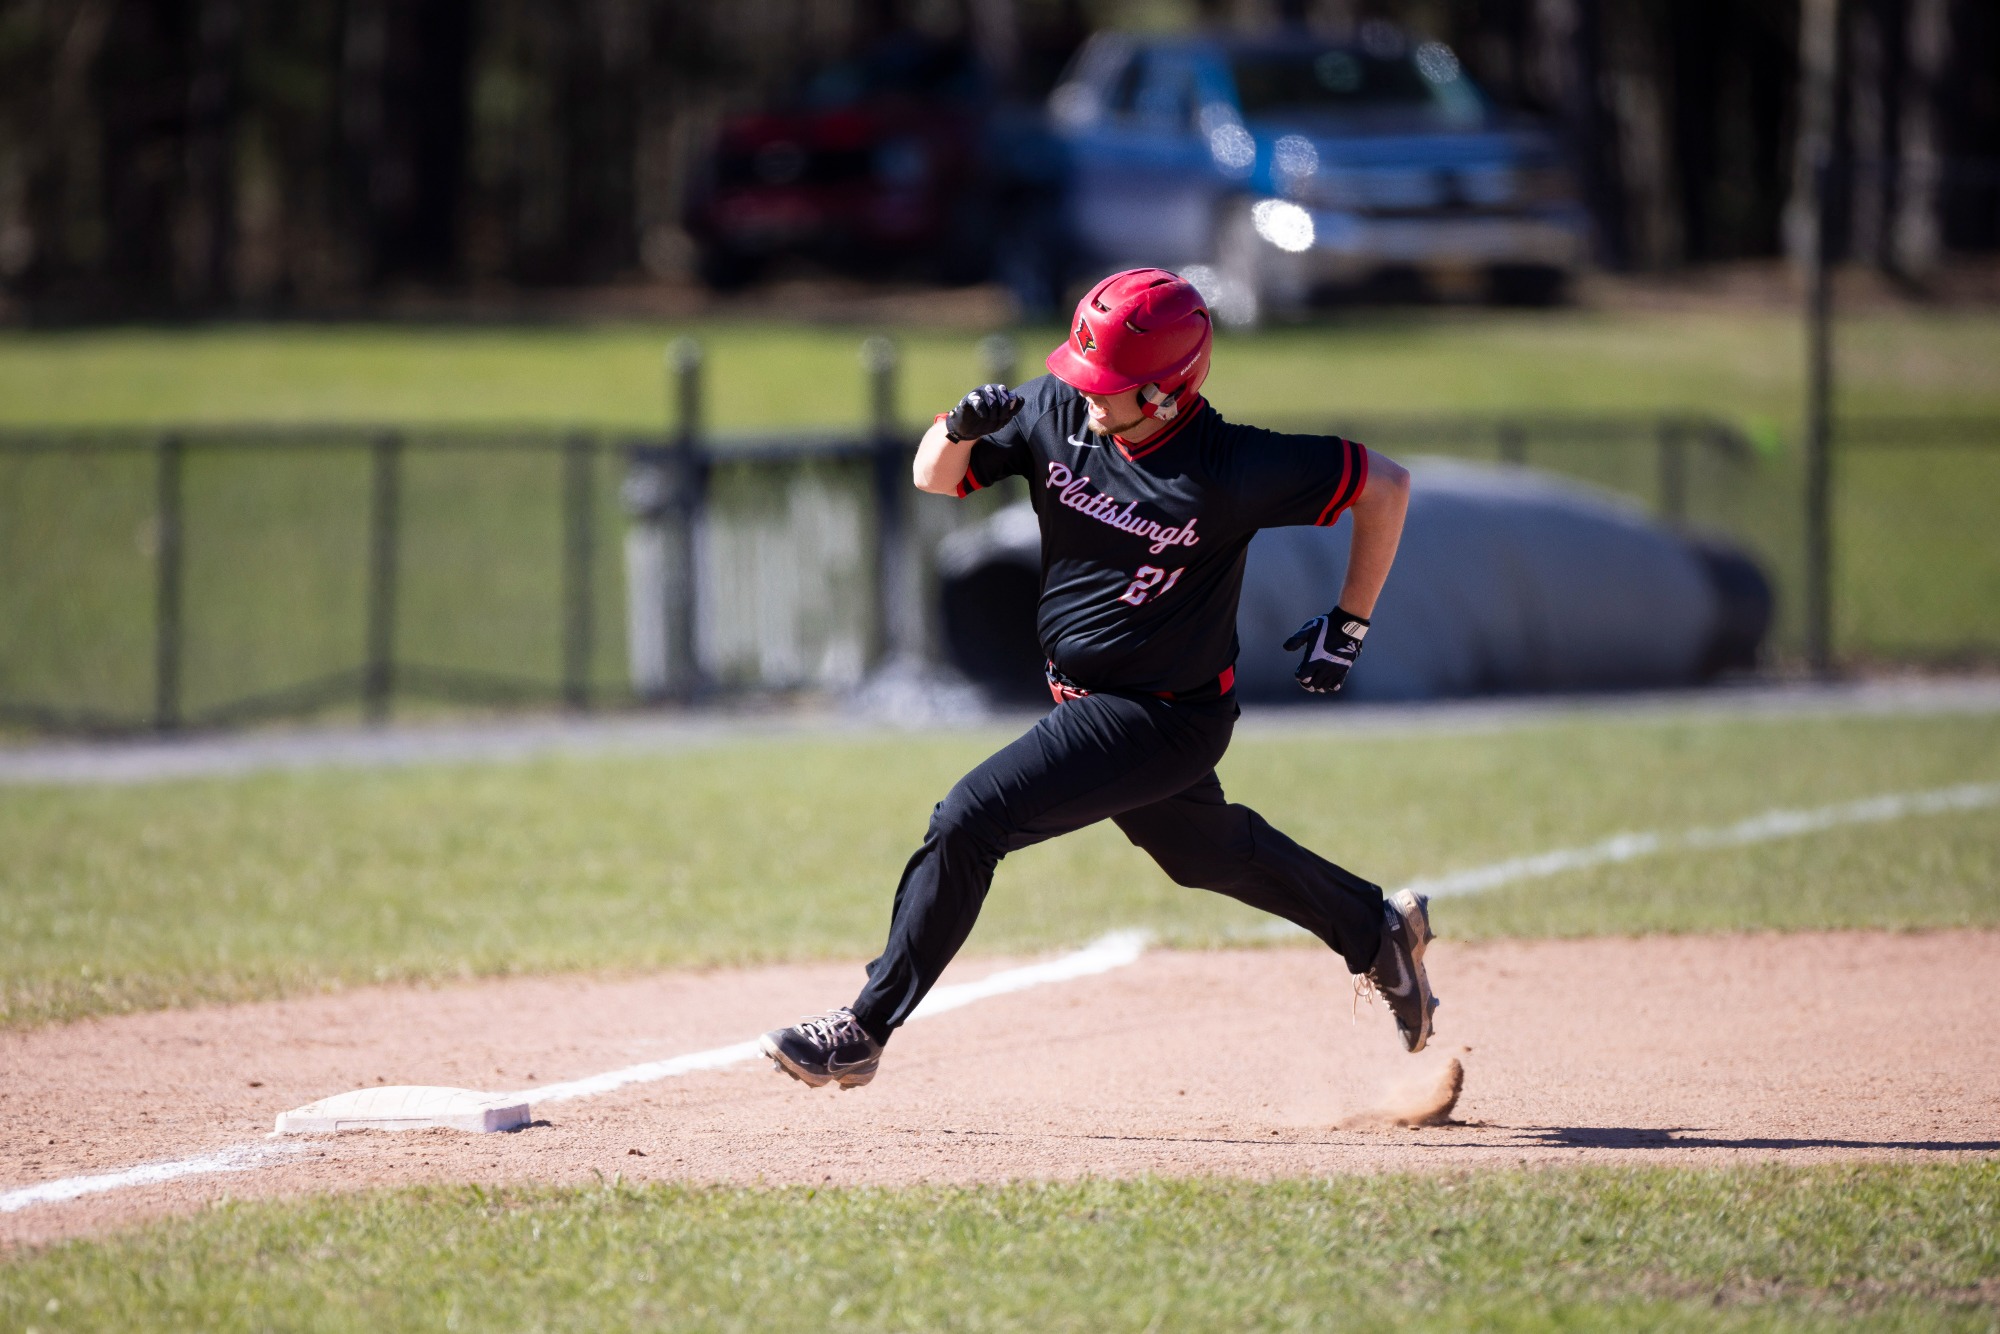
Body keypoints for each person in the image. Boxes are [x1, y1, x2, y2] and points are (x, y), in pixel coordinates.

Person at [760, 268, 1431, 1090]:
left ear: (1167, 390)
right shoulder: (1057, 411)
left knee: (971, 818)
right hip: (1092, 702)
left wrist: (1349, 622)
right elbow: (933, 476)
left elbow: (1387, 486)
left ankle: (862, 1028)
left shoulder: (1231, 464)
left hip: (1163, 715)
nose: (1084, 394)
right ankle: (1377, 929)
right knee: (1206, 855)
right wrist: (957, 427)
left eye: (1107, 384)